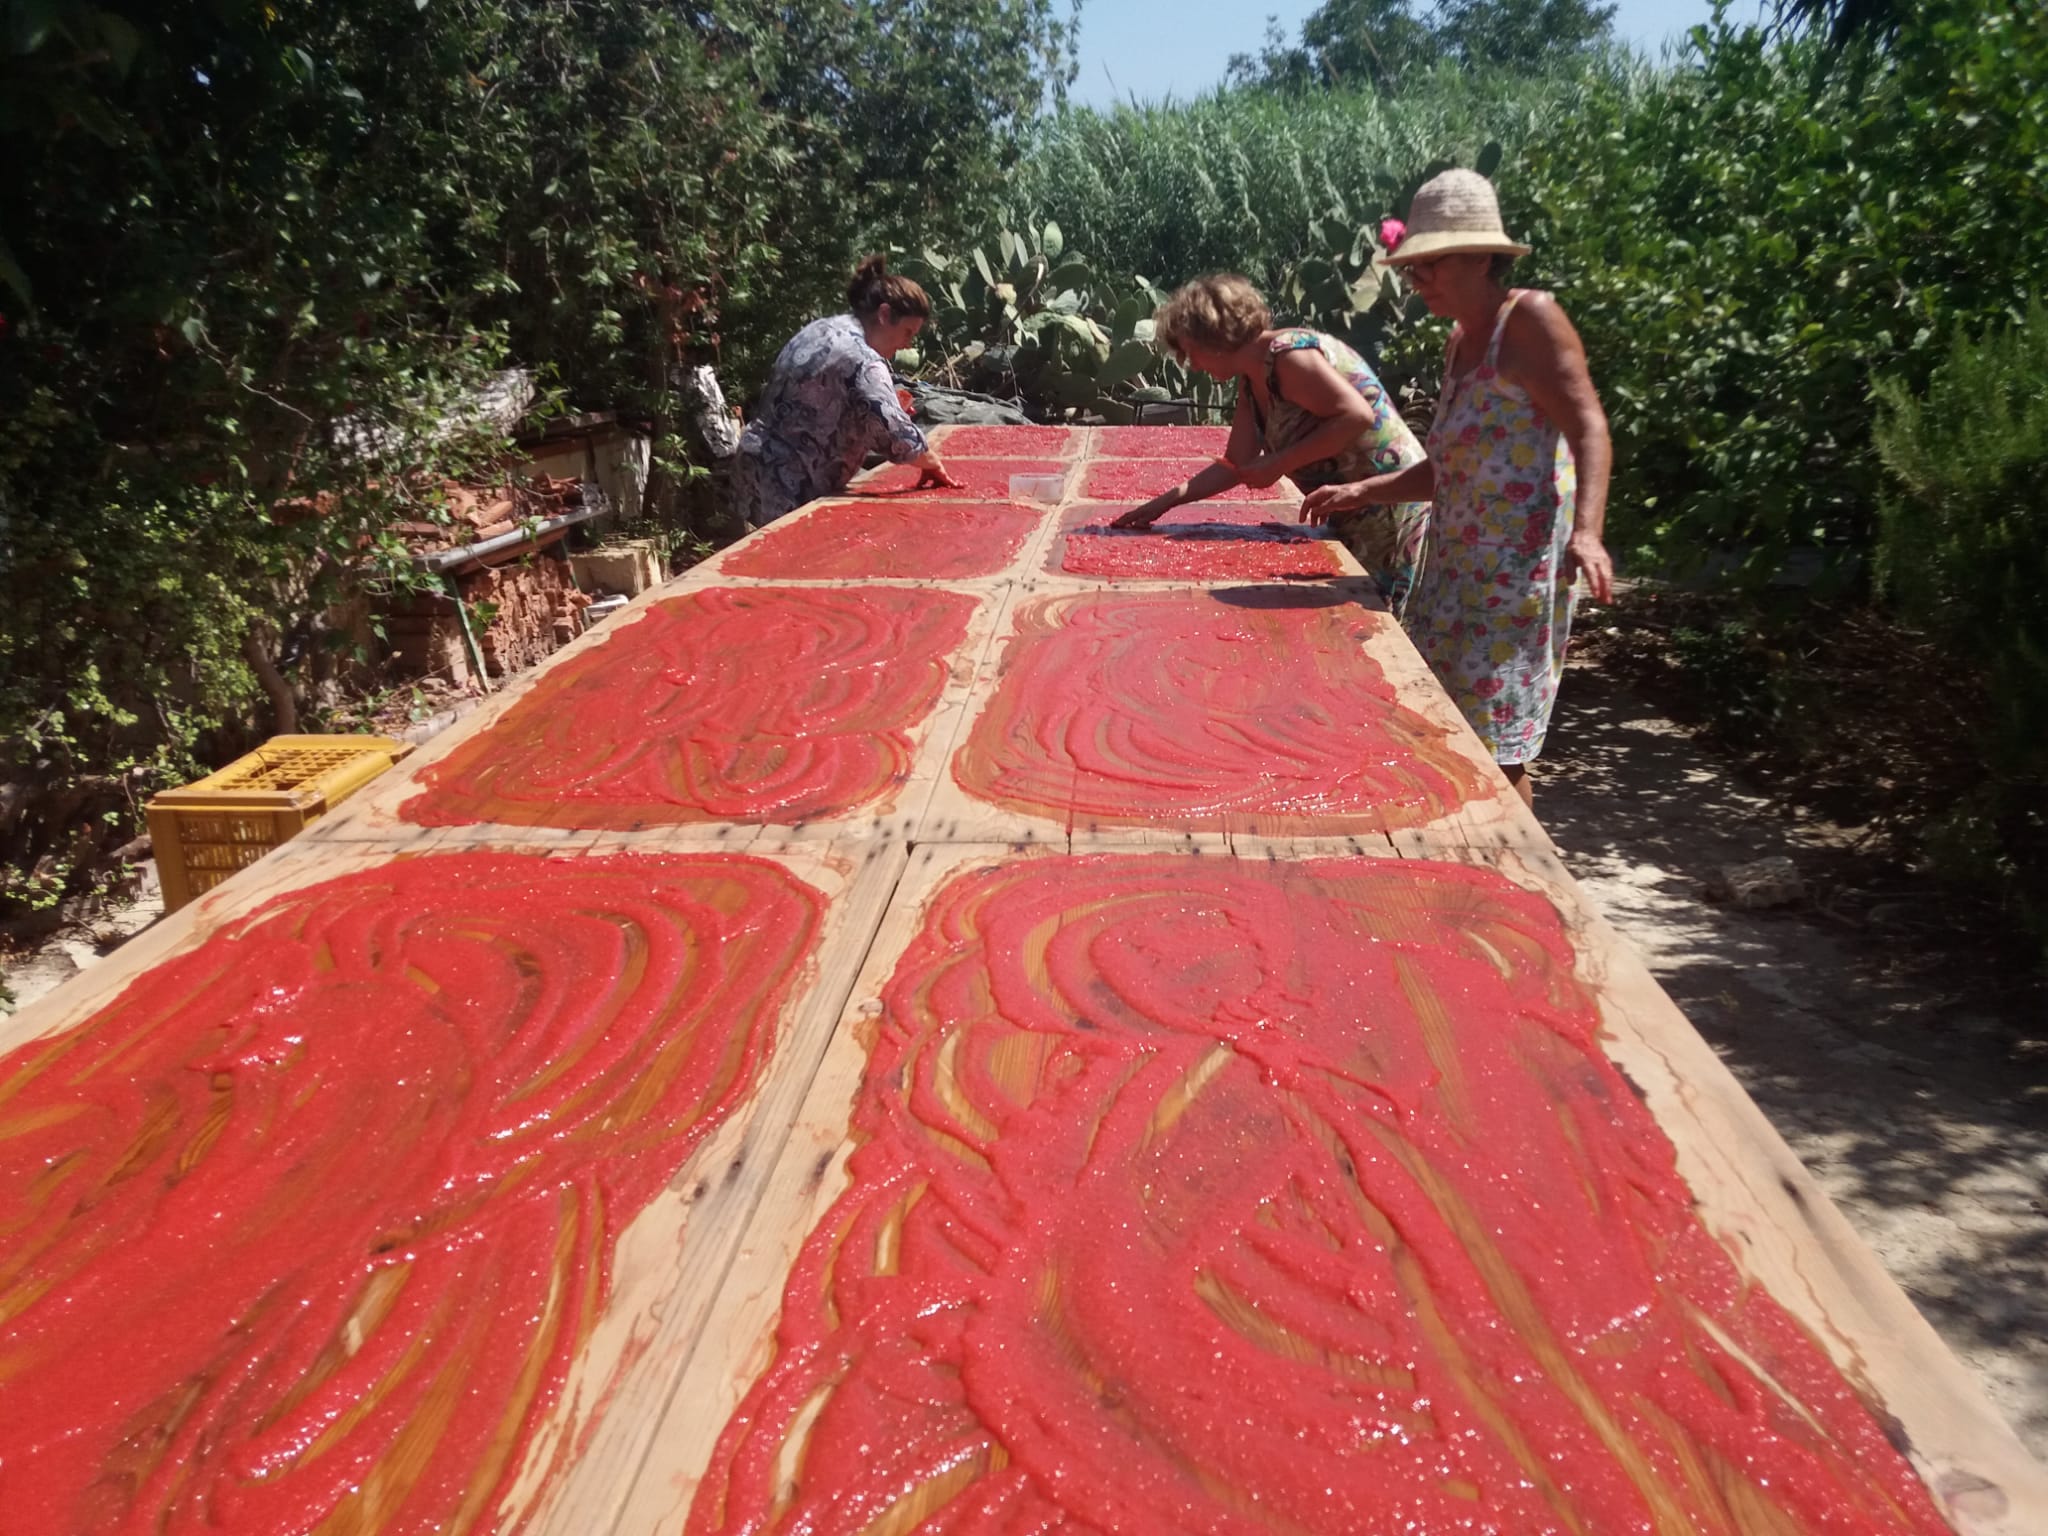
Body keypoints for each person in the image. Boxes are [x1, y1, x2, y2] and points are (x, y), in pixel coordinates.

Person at [1303, 169, 1615, 809]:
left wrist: (1588, 531)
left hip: (1513, 580)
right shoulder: (1458, 343)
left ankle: (1518, 882)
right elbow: (1451, 466)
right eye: (1411, 270)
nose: (1417, 284)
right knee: (1443, 728)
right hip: (1451, 569)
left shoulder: (1530, 319)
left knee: (1497, 751)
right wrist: (1362, 493)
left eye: (1430, 267)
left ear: (1478, 255)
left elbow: (1589, 426)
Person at [1109, 274, 1432, 614]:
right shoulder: (1252, 379)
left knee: (1383, 618)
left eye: (1192, 353)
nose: (1194, 366)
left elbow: (1356, 416)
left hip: (1389, 502)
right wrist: (1163, 504)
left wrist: (1278, 464)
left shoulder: (1290, 357)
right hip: (1347, 506)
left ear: (1213, 337)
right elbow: (1235, 463)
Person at [734, 255, 959, 527]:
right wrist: (932, 464)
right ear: (885, 314)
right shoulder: (863, 358)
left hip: (757, 468)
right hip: (788, 482)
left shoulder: (826, 328)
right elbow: (895, 431)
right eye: (907, 332)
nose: (906, 345)